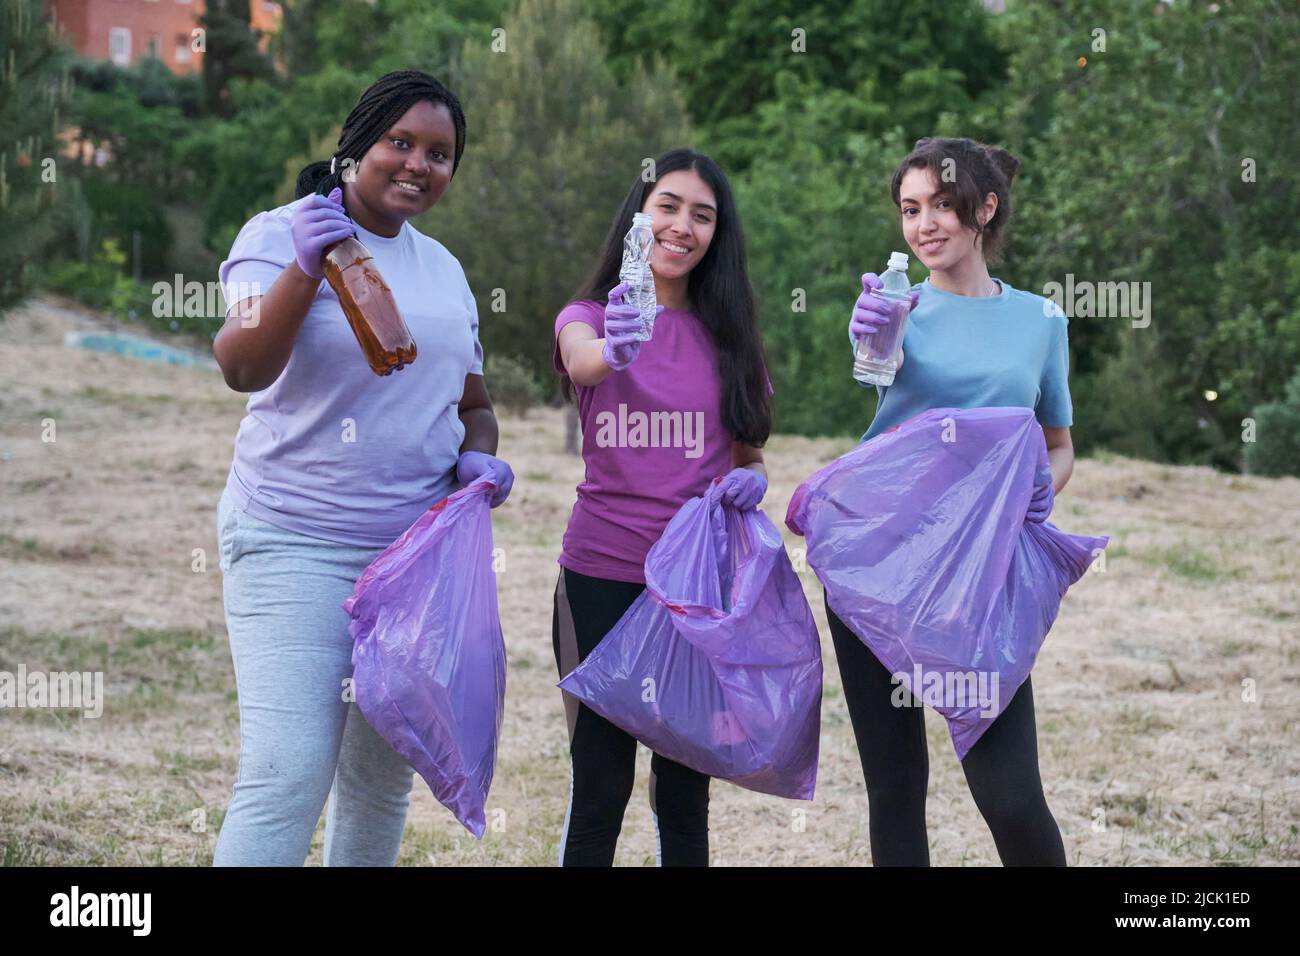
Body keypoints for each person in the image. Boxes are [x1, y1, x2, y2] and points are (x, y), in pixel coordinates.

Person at [210, 70, 513, 866]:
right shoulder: (278, 235)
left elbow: (472, 403)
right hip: (292, 542)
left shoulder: (444, 271)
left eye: (440, 154)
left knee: (381, 783)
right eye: (400, 143)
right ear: (356, 146)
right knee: (286, 772)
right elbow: (239, 365)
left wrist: (480, 459)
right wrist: (305, 269)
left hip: (412, 566)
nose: (418, 164)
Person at [837, 136, 1073, 866]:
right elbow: (874, 365)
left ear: (985, 208)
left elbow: (1059, 445)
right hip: (877, 570)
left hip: (979, 579)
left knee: (1009, 795)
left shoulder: (1041, 321)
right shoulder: (895, 307)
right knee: (897, 790)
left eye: (942, 204)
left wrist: (1041, 483)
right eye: (910, 209)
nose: (925, 224)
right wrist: (869, 337)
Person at [551, 148, 774, 866]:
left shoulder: (730, 340)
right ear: (638, 218)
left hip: (694, 592)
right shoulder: (589, 317)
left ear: (718, 235)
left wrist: (754, 480)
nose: (683, 226)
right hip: (601, 579)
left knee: (684, 796)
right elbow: (584, 356)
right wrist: (616, 348)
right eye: (668, 206)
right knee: (600, 788)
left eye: (702, 216)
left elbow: (747, 452)